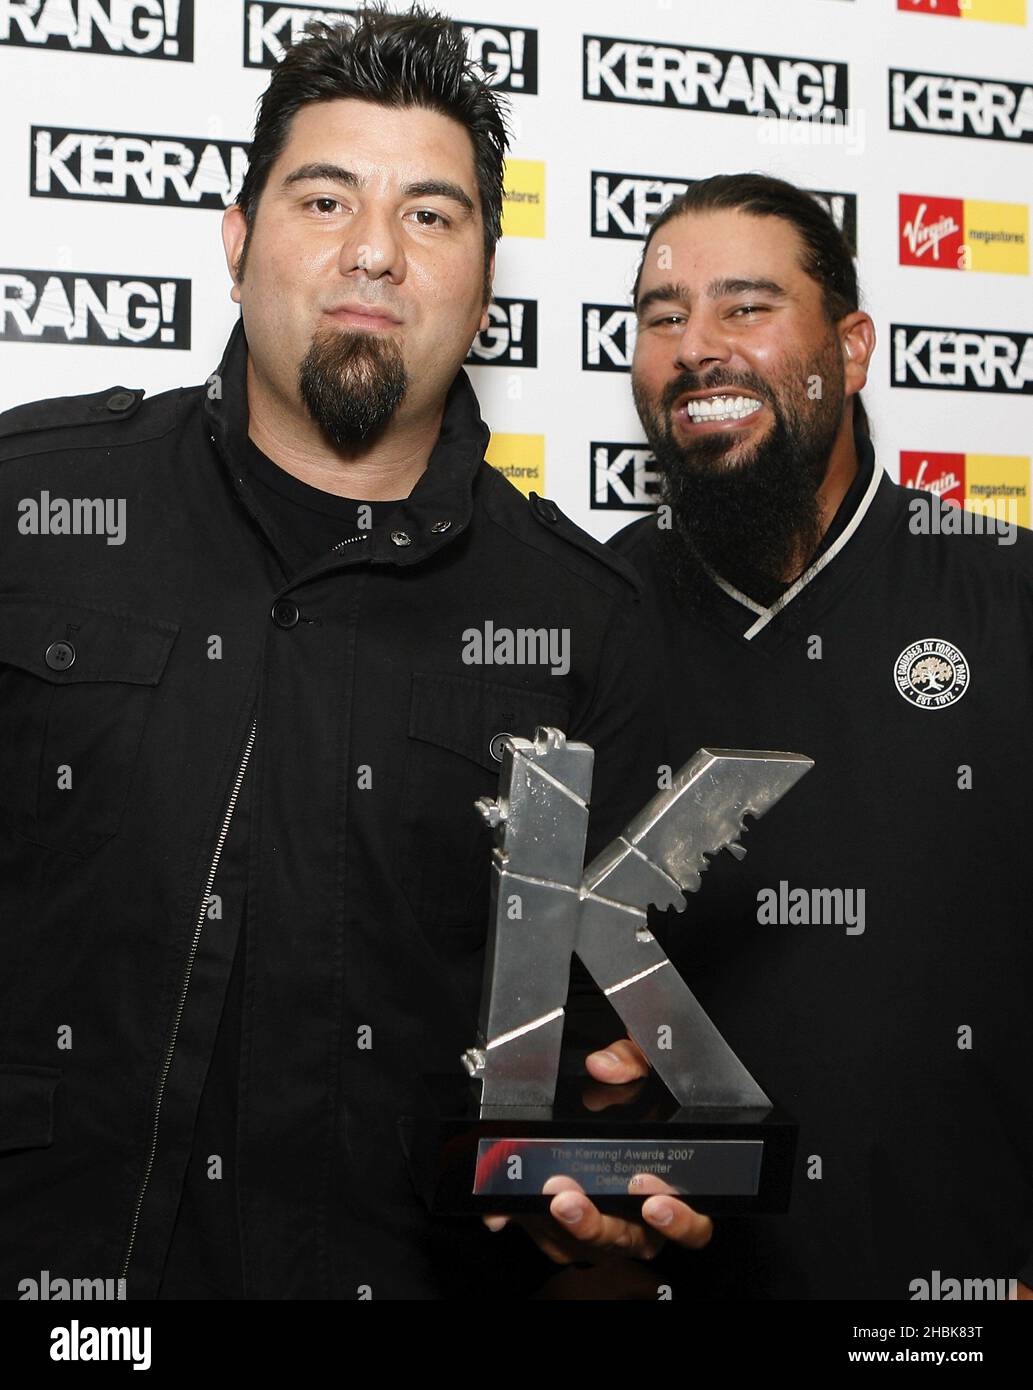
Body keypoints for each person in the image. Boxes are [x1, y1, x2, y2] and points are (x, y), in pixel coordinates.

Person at [0, 9, 698, 1302]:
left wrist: (611, 1185)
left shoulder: (588, 627)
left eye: (431, 216)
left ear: (486, 284)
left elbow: (610, 1082)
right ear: (237, 239)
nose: (373, 249)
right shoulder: (32, 509)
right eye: (326, 198)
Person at [608, 173, 1033, 1301]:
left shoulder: (1010, 598)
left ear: (850, 349)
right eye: (661, 317)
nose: (696, 347)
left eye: (745, 307)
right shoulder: (579, 618)